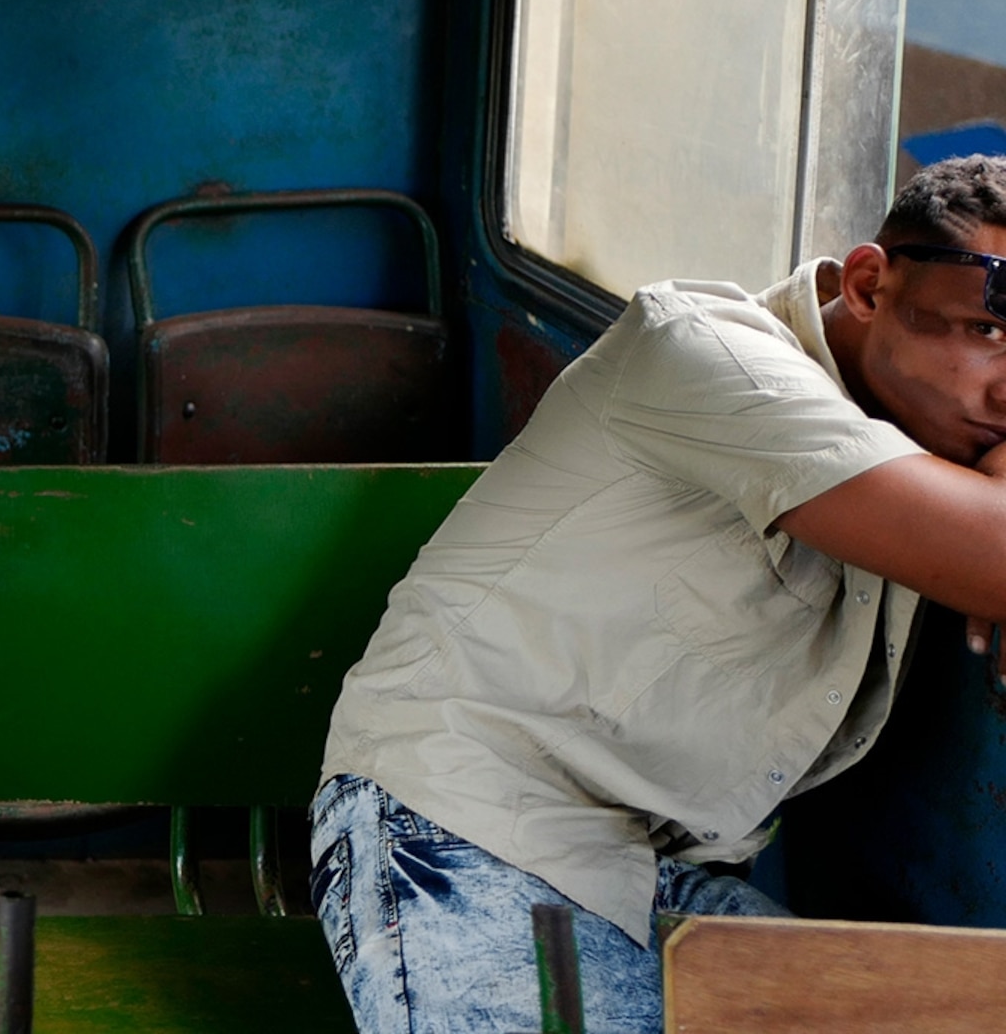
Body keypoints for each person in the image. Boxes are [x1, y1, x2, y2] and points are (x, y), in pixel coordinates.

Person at [314, 155, 1006, 1034]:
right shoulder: (710, 354)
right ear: (870, 286)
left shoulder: (916, 430)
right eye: (988, 330)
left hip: (650, 872)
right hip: (463, 823)